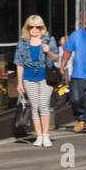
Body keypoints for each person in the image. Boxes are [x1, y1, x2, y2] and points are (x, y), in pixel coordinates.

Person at [14, 15, 59, 147]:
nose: (34, 29)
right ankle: (38, 136)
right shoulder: (22, 43)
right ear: (27, 28)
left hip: (45, 77)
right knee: (34, 107)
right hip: (28, 78)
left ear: (42, 27)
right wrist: (19, 82)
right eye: (31, 27)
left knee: (43, 105)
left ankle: (46, 135)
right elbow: (19, 64)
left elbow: (56, 58)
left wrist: (49, 52)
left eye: (38, 27)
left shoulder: (49, 40)